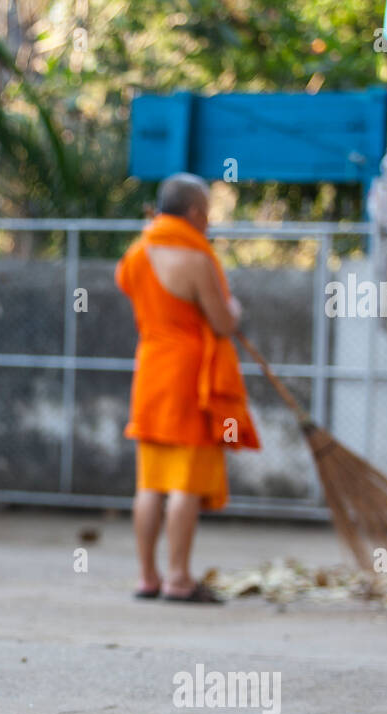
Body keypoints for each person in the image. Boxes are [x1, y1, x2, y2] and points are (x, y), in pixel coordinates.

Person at [114, 173, 260, 604]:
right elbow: (223, 323)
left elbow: (126, 284)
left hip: (151, 373)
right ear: (195, 213)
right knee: (184, 484)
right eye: (208, 214)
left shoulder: (138, 254)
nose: (209, 224)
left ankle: (148, 577)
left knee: (149, 485)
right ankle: (178, 578)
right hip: (190, 379)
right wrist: (234, 308)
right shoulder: (195, 260)